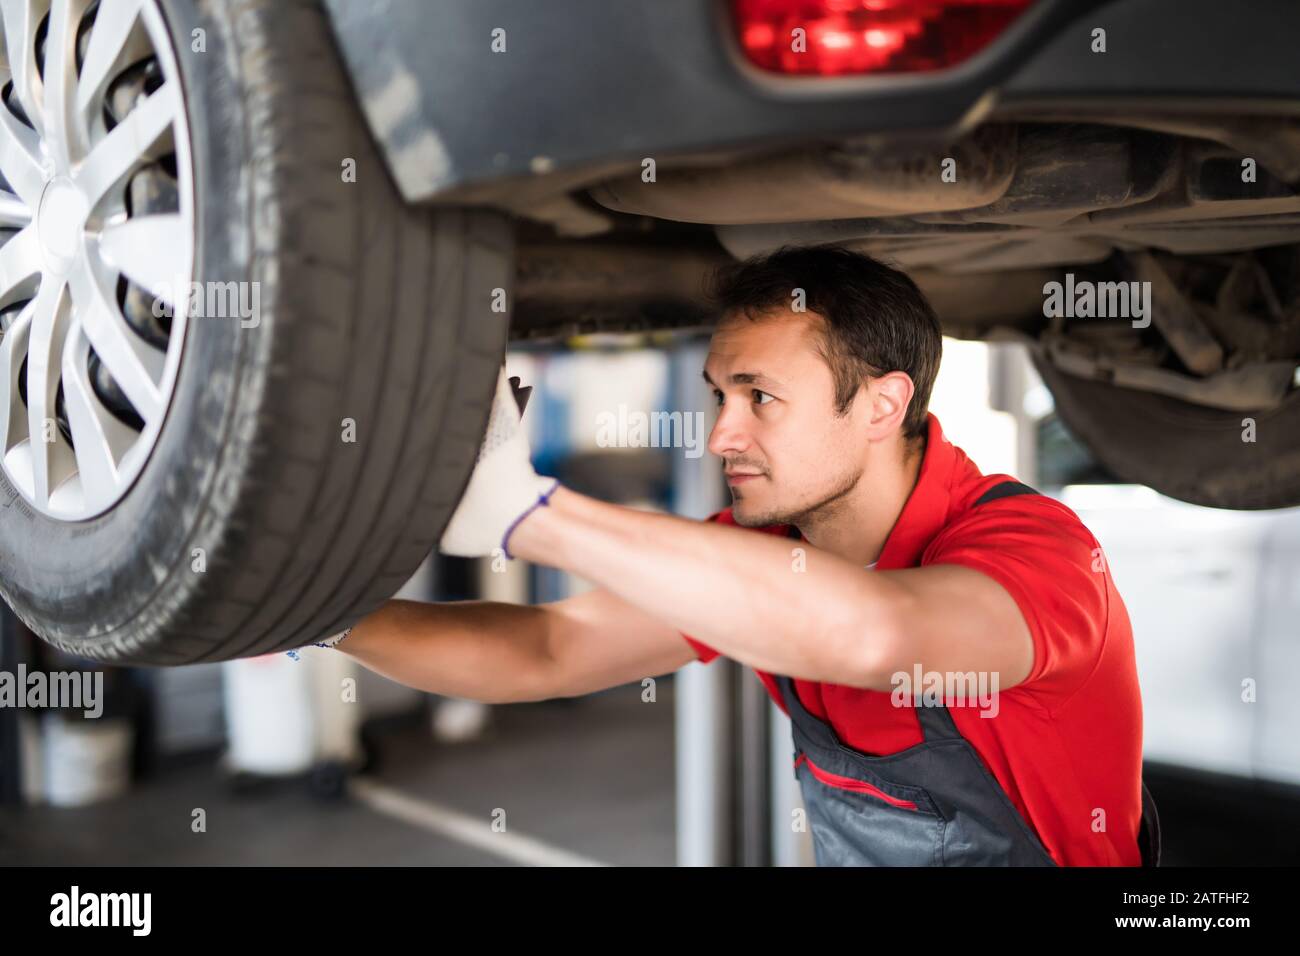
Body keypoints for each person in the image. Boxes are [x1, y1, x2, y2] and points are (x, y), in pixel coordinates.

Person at [323, 245, 1145, 866]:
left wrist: (528, 516)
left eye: (762, 397)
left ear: (881, 405)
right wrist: (313, 613)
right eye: (720, 394)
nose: (722, 434)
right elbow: (546, 648)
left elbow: (880, 639)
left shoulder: (1040, 551)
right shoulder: (763, 549)